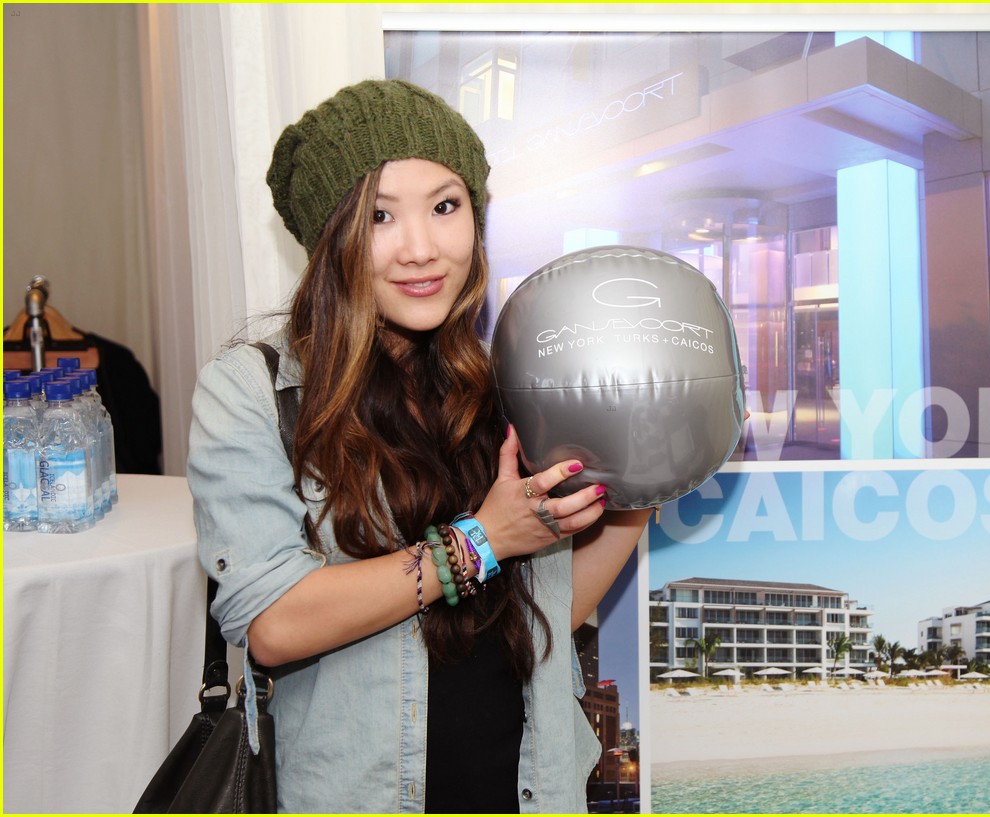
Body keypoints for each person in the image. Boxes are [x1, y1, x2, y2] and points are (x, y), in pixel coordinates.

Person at [187, 78, 651, 813]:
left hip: (527, 790)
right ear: (330, 236)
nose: (421, 248)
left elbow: (539, 623)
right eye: (379, 215)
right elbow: (274, 623)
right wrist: (480, 540)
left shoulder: (508, 381)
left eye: (445, 206)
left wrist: (642, 479)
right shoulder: (253, 389)